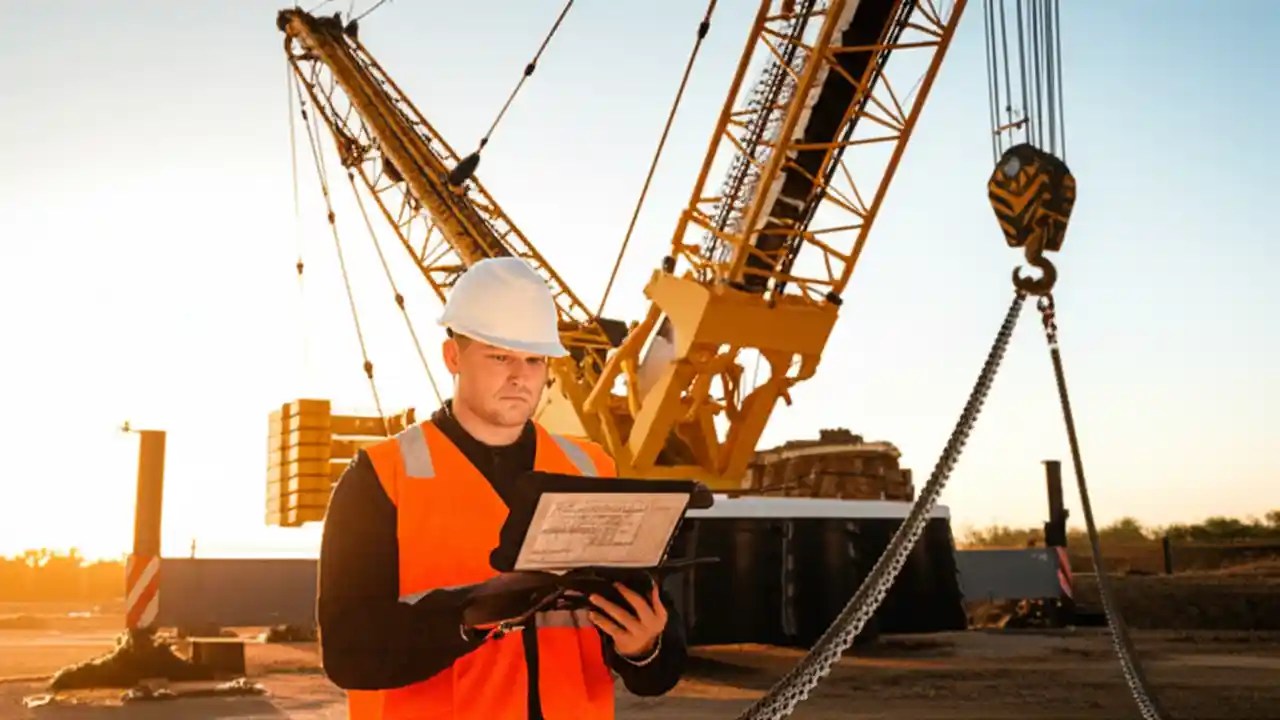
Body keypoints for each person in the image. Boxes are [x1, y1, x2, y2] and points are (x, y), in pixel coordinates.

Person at [316, 256, 688, 719]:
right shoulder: (379, 479)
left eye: (534, 359)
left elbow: (656, 663)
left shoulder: (591, 470)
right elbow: (348, 653)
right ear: (453, 357)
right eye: (500, 356)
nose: (520, 376)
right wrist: (469, 616)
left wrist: (646, 647)